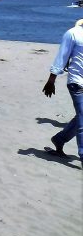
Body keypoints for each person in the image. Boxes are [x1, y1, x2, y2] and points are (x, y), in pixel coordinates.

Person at [43, 18, 83, 160]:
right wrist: (51, 80)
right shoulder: (73, 34)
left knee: (81, 117)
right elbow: (62, 57)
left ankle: (60, 139)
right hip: (77, 83)